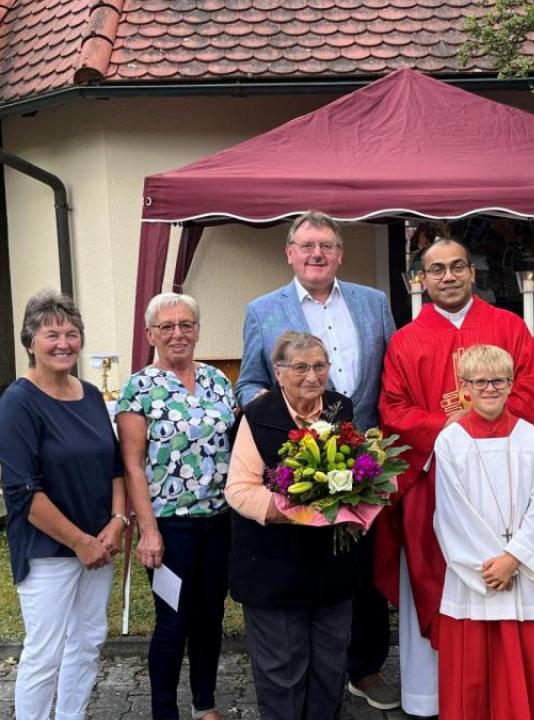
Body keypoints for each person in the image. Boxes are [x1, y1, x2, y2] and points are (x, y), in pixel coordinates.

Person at [376, 237, 534, 718]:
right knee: (438, 577)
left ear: (472, 273)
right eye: (437, 269)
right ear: (421, 279)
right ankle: (431, 696)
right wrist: (447, 428)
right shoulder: (405, 341)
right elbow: (393, 410)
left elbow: (531, 387)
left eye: (457, 267)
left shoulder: (508, 327)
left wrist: (483, 421)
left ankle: (512, 695)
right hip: (436, 483)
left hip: (510, 477)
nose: (448, 277)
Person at [236, 211, 399, 710]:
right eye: (306, 245)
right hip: (294, 459)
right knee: (304, 564)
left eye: (326, 245)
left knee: (357, 571)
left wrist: (369, 452)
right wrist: (287, 429)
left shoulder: (373, 302)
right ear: (289, 252)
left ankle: (364, 668)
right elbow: (248, 381)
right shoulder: (263, 309)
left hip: (360, 462)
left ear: (340, 253)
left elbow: (391, 373)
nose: (316, 254)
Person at [0, 290, 127, 720]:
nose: (64, 343)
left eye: (72, 333)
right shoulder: (18, 403)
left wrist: (119, 521)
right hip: (49, 549)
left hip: (99, 543)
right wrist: (80, 542)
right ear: (30, 342)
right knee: (45, 653)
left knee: (88, 640)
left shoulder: (89, 395)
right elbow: (24, 494)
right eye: (52, 334)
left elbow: (115, 465)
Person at [225, 331, 359, 720]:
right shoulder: (257, 417)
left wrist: (358, 505)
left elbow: (357, 471)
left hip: (332, 567)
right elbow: (239, 490)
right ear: (278, 372)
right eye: (300, 367)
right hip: (273, 568)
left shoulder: (339, 409)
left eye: (319, 366)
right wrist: (303, 512)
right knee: (282, 673)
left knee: (330, 669)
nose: (311, 376)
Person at [433, 345, 534, 720]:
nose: (489, 389)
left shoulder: (532, 439)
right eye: (480, 382)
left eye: (498, 381)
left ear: (512, 384)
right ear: (466, 386)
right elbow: (451, 514)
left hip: (521, 572)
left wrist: (514, 559)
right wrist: (490, 567)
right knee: (474, 680)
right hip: (475, 576)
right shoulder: (450, 441)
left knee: (528, 671)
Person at [116, 292, 236, 720]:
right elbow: (131, 465)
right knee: (173, 622)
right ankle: (164, 711)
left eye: (186, 325)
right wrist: (148, 530)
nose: (177, 334)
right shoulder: (139, 388)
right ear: (151, 334)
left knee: (210, 617)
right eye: (166, 327)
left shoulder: (217, 381)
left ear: (198, 331)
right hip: (170, 527)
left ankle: (205, 703)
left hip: (219, 523)